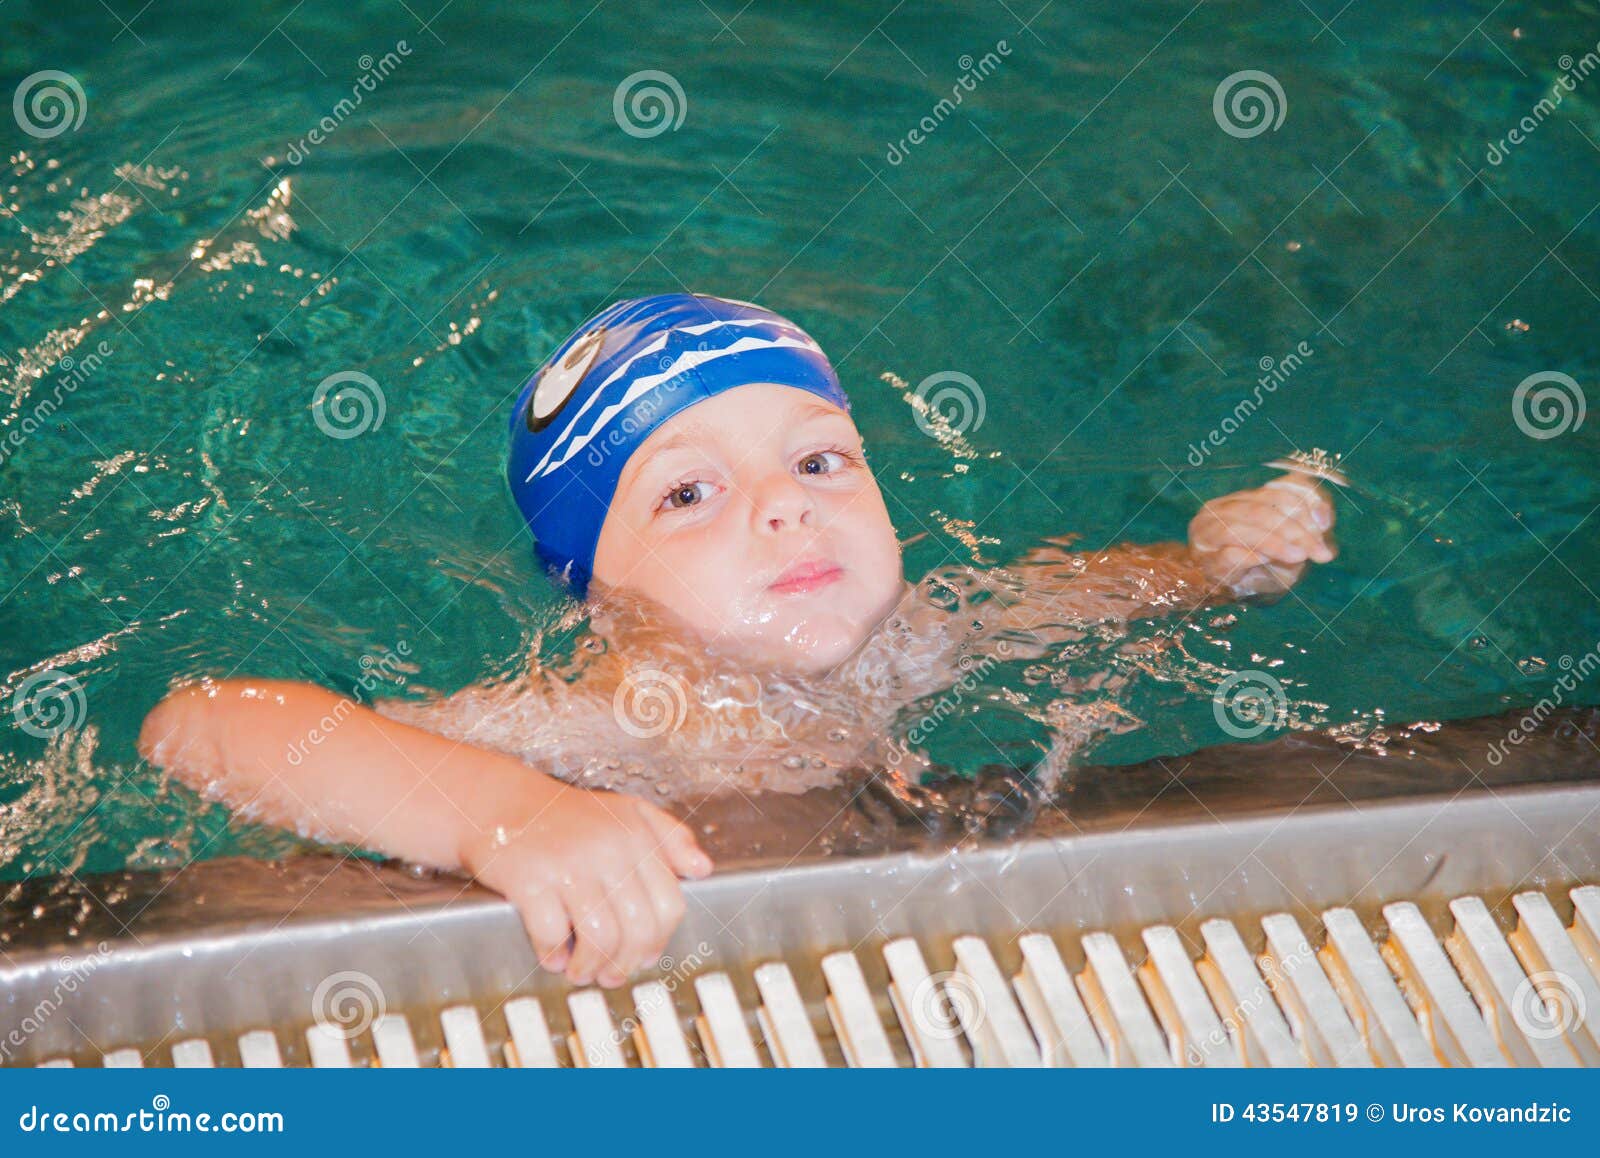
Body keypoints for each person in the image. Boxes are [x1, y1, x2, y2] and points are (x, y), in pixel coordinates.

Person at [139, 292, 1336, 989]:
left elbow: (1076, 597)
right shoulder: (592, 724)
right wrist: (509, 818)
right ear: (594, 593)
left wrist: (1213, 569)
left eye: (818, 460)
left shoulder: (908, 645)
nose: (784, 505)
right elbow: (199, 727)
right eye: (687, 493)